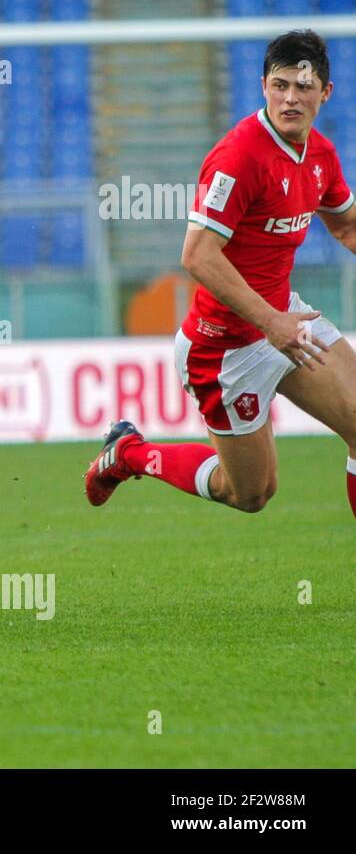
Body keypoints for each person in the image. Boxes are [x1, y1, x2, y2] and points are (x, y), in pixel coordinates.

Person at [86, 29, 356, 519]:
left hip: (287, 322)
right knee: (250, 493)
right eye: (279, 85)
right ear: (263, 86)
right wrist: (271, 324)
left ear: (326, 92)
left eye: (303, 86)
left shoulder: (320, 156)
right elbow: (199, 255)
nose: (290, 98)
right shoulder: (240, 156)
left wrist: (279, 322)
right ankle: (127, 453)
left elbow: (347, 227)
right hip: (224, 348)